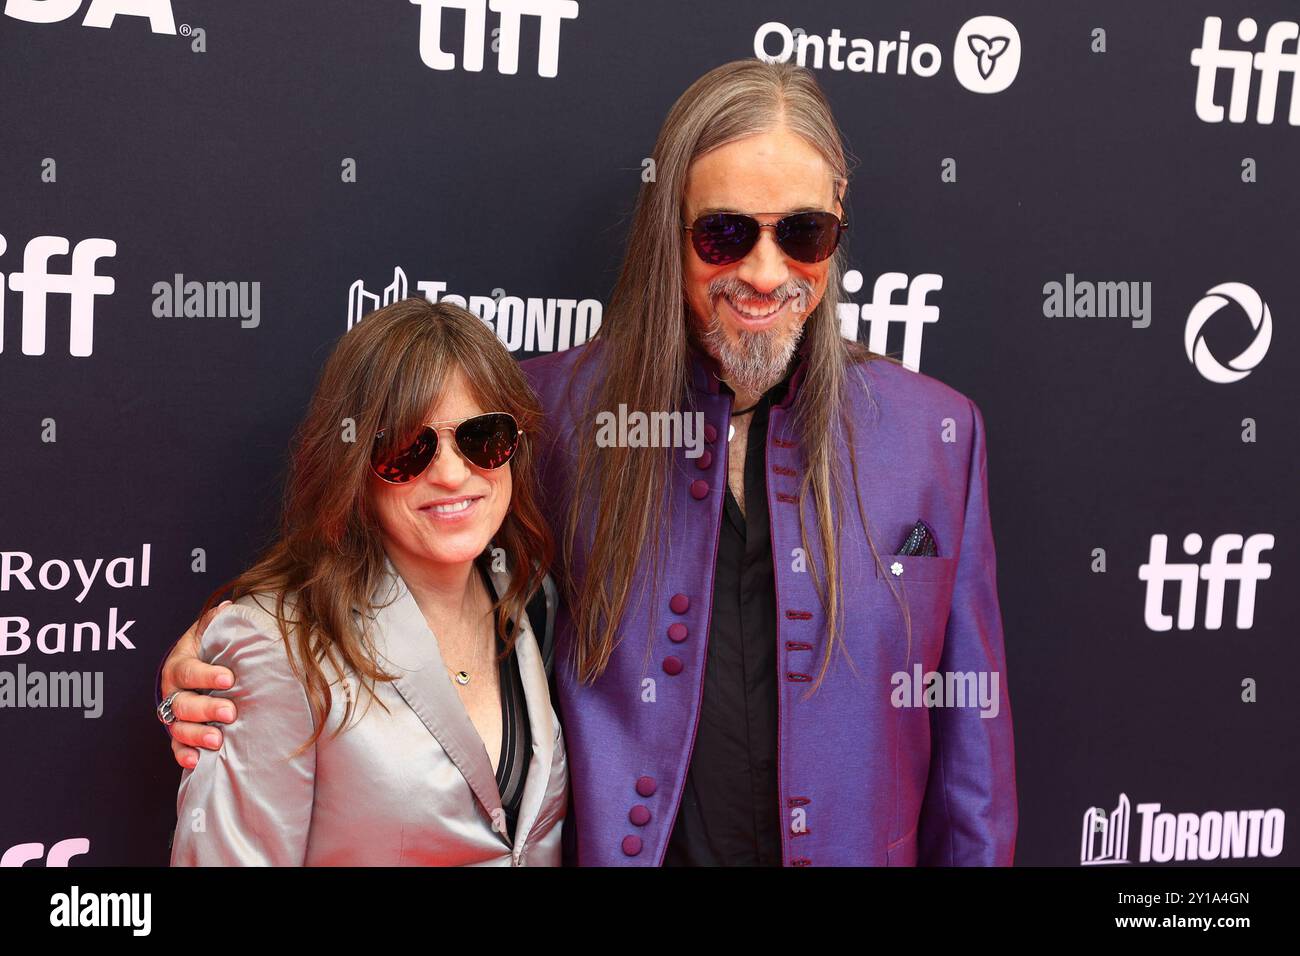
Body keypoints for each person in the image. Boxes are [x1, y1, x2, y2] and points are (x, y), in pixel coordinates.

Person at [161, 58, 1016, 866]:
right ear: (668, 233)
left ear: (837, 227)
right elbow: (400, 548)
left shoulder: (937, 435)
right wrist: (221, 640)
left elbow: (972, 764)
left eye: (803, 233)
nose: (765, 273)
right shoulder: (553, 416)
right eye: (722, 235)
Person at [166, 297, 566, 866]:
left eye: (483, 437)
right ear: (354, 467)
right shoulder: (275, 644)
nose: (452, 474)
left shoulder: (531, 603)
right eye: (407, 448)